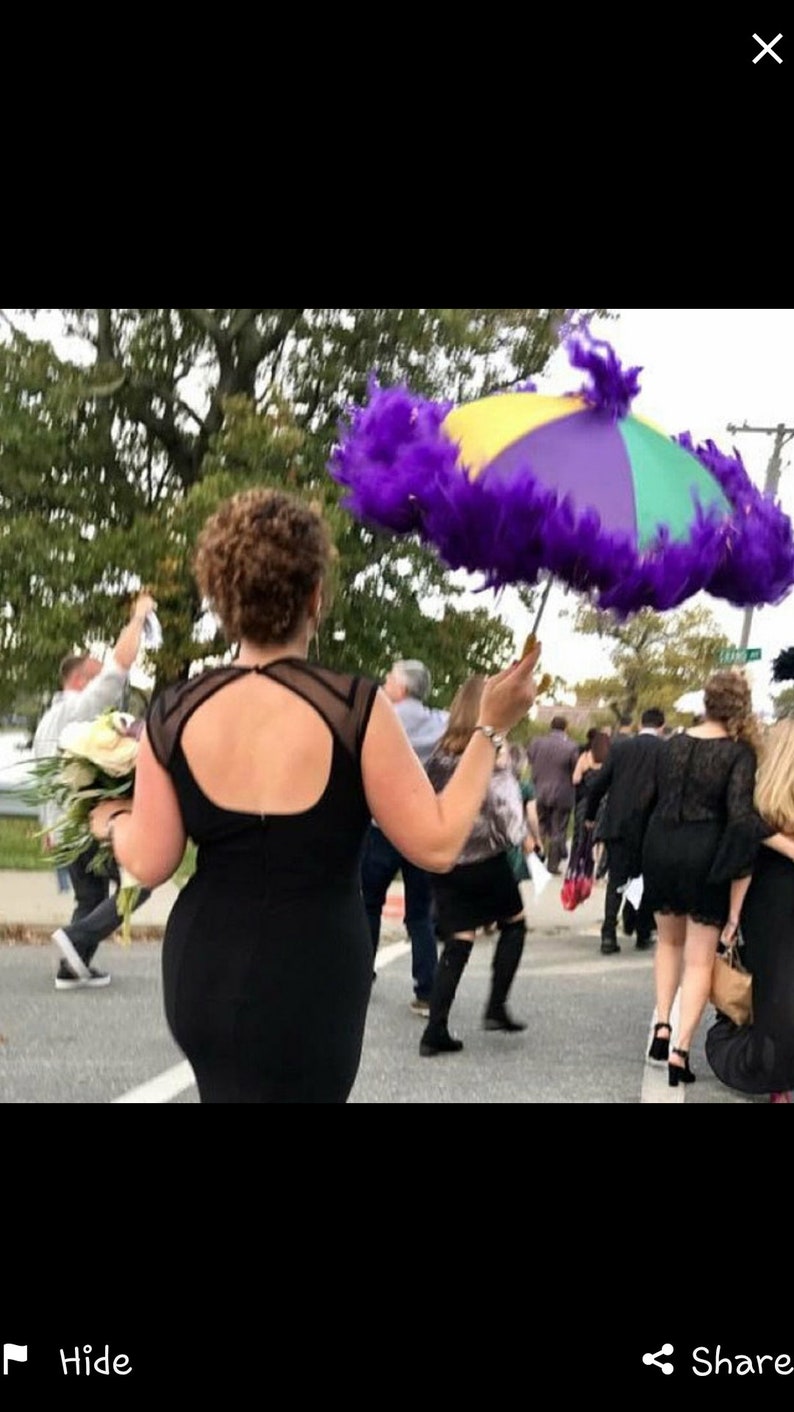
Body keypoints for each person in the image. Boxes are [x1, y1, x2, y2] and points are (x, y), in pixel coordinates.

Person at [88, 487, 542, 1103]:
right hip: (316, 965)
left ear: (222, 600)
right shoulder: (355, 707)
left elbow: (150, 859)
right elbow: (436, 844)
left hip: (206, 963)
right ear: (314, 598)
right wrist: (491, 728)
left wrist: (109, 820)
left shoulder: (173, 710)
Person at [641, 671, 763, 1086]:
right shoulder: (738, 753)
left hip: (660, 845)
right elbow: (742, 822)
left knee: (668, 943)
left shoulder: (670, 744)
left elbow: (651, 799)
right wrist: (735, 906)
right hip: (704, 854)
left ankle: (662, 1025)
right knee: (699, 960)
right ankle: (680, 1051)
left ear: (706, 702)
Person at [33, 592, 156, 990]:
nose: (105, 674)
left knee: (89, 898)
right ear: (81, 679)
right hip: (89, 826)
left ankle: (72, 968)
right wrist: (139, 617)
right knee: (141, 881)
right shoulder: (79, 708)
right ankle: (77, 939)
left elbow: (43, 777)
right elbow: (121, 663)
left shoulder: (48, 719)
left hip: (64, 829)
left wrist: (48, 827)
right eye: (96, 671)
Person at [419, 675, 531, 1057]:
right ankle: (496, 1006)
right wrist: (504, 772)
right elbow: (512, 825)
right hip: (485, 860)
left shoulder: (437, 757)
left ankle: (435, 1028)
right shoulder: (489, 759)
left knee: (459, 939)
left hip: (446, 860)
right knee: (514, 923)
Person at [705, 708, 794, 1101]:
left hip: (769, 895)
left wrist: (733, 917)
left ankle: (777, 1075)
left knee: (774, 986)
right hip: (774, 892)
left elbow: (741, 853)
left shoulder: (761, 796)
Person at [361, 659, 448, 1017]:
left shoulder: (381, 719)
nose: (384, 682)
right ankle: (426, 990)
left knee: (368, 905)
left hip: (382, 826)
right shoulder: (440, 723)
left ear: (402, 688)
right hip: (420, 826)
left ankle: (361, 976)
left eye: (389, 679)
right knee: (419, 915)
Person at [584, 709, 666, 955]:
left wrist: (590, 815)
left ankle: (608, 933)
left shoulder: (620, 748)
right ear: (662, 726)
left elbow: (600, 784)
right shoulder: (665, 751)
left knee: (617, 879)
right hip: (650, 826)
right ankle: (642, 931)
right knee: (645, 879)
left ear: (641, 722)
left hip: (618, 822)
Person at [527, 715, 578, 874]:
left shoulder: (536, 743)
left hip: (539, 790)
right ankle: (552, 866)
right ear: (566, 728)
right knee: (558, 829)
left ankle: (536, 861)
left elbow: (529, 760)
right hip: (562, 793)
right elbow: (575, 769)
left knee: (539, 827)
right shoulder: (571, 747)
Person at [570, 728, 610, 862]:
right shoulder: (609, 760)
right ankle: (598, 866)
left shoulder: (585, 757)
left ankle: (577, 864)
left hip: (585, 800)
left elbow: (575, 779)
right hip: (604, 802)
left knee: (581, 835)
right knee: (599, 836)